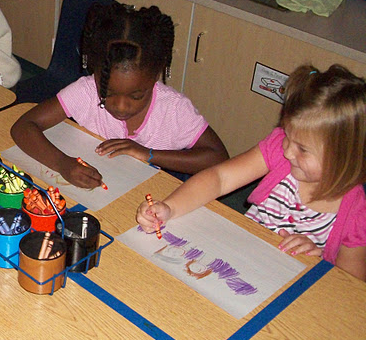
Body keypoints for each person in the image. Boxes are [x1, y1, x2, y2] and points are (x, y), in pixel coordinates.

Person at [137, 64, 366, 281]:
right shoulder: (280, 148)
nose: (287, 150)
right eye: (287, 135)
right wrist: (170, 208)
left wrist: (319, 262)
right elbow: (219, 178)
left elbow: (349, 287)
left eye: (303, 149)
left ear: (345, 156)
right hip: (235, 258)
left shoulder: (356, 212)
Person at [10, 2, 228, 188]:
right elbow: (24, 126)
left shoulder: (173, 109)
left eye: (136, 96)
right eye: (108, 92)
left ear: (156, 75)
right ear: (94, 71)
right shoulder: (86, 92)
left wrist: (148, 154)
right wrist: (62, 164)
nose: (121, 106)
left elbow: (218, 158)